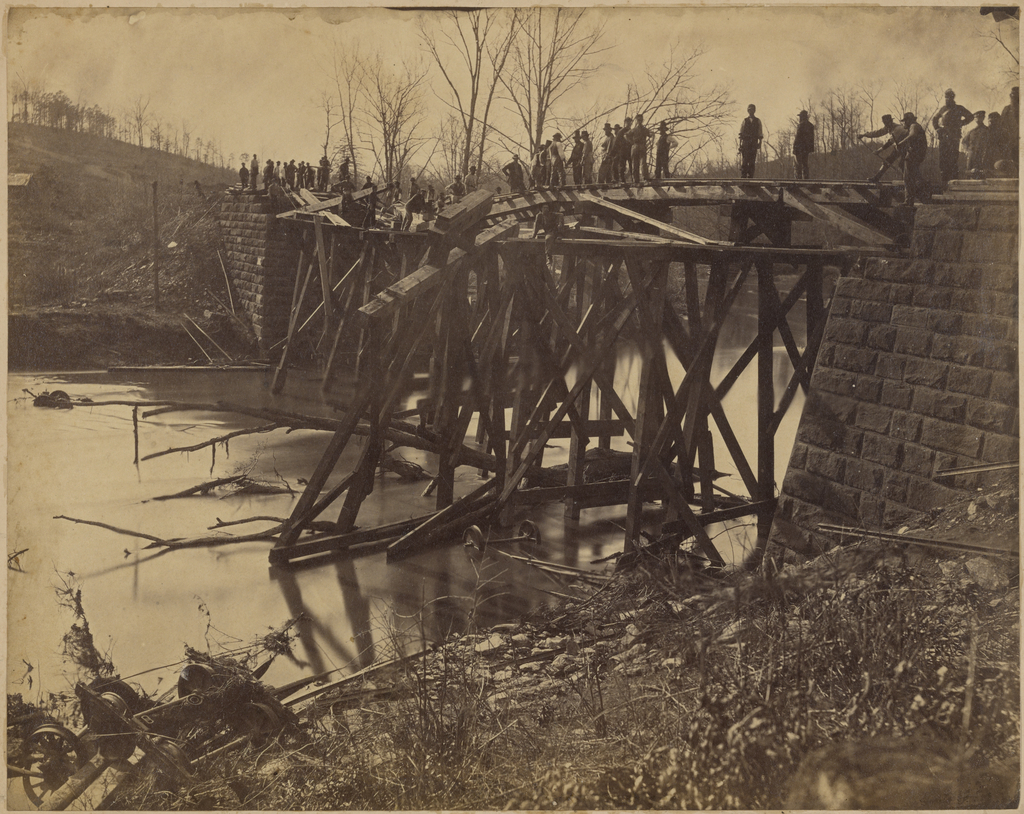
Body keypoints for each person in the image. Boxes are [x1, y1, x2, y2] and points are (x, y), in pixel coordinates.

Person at [931, 88, 973, 189]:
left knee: (953, 160)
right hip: (943, 137)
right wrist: (938, 129)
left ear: (953, 98)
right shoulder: (943, 109)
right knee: (943, 160)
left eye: (949, 97)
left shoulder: (959, 108)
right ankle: (944, 185)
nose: (947, 99)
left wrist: (961, 123)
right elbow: (935, 119)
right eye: (946, 97)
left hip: (954, 137)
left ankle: (954, 185)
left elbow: (970, 117)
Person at [859, 114, 908, 182]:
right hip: (899, 147)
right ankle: (876, 178)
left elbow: (890, 142)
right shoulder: (888, 128)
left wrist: (879, 150)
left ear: (891, 121)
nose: (886, 125)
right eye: (885, 123)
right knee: (887, 161)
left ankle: (908, 180)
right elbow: (877, 133)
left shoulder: (898, 128)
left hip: (908, 148)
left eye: (887, 123)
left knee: (903, 164)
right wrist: (864, 135)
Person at [894, 112, 927, 205]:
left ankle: (909, 199)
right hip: (914, 153)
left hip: (914, 154)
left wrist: (901, 143)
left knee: (907, 176)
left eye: (904, 121)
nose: (903, 123)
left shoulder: (913, 126)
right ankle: (921, 189)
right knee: (908, 171)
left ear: (908, 120)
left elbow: (912, 135)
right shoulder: (912, 127)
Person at [961, 111, 990, 177]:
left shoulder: (987, 130)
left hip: (983, 154)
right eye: (976, 117)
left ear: (983, 118)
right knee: (969, 172)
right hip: (972, 155)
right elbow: (964, 141)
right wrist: (966, 150)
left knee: (982, 173)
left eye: (980, 117)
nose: (977, 119)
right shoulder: (972, 131)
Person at [739, 104, 763, 178]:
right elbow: (741, 133)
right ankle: (743, 175)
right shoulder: (745, 121)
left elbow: (760, 133)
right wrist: (740, 145)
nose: (751, 111)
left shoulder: (758, 121)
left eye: (752, 109)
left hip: (754, 143)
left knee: (752, 160)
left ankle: (751, 176)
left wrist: (760, 143)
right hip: (746, 143)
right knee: (745, 159)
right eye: (749, 110)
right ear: (748, 111)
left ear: (754, 110)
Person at [627, 113, 652, 183]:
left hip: (636, 147)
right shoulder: (640, 129)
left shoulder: (636, 129)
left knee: (638, 163)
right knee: (641, 162)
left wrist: (632, 142)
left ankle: (637, 179)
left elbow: (626, 136)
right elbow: (650, 135)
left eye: (640, 120)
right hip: (639, 146)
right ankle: (644, 178)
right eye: (639, 120)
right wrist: (632, 142)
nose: (640, 121)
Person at [793, 110, 815, 180]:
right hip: (807, 148)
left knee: (798, 165)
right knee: (805, 164)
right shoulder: (811, 126)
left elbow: (797, 137)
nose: (799, 118)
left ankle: (798, 179)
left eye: (800, 116)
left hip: (799, 148)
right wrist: (811, 148)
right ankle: (806, 178)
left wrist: (794, 148)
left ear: (802, 117)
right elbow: (812, 138)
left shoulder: (800, 125)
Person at [614, 117, 632, 182]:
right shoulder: (621, 131)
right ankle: (622, 179)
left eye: (630, 122)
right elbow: (616, 142)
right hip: (623, 151)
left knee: (631, 165)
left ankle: (632, 179)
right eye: (627, 122)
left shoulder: (632, 131)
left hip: (630, 150)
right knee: (622, 166)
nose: (629, 124)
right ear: (625, 123)